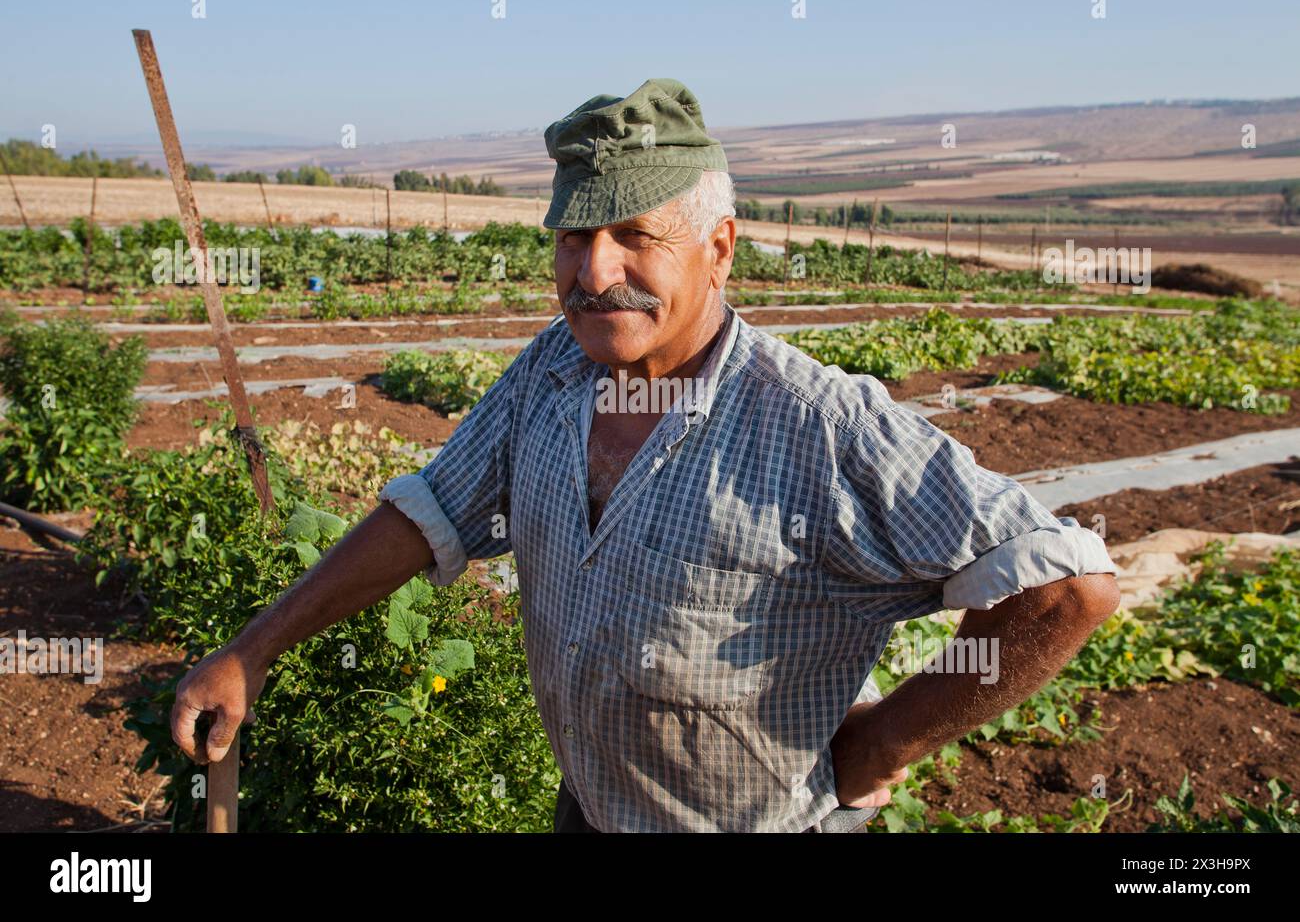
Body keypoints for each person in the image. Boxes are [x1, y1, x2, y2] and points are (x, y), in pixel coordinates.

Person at [170, 78, 1120, 833]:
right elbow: (430, 512)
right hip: (589, 810)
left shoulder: (818, 430)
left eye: (635, 237)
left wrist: (886, 745)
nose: (594, 273)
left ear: (721, 248)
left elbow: (1066, 587)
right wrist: (253, 650)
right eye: (575, 237)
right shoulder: (552, 372)